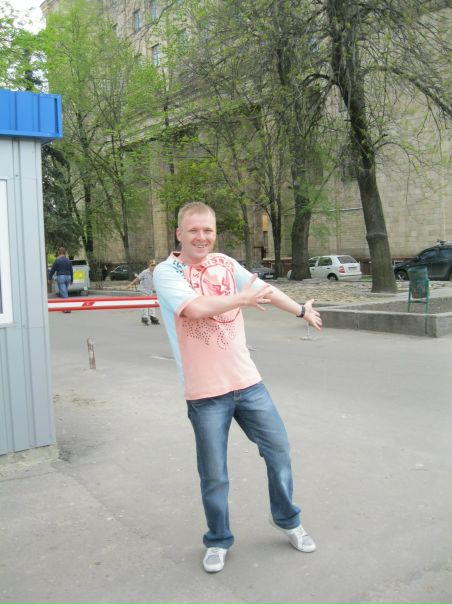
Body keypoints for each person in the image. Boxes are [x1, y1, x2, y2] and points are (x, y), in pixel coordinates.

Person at [153, 202, 322, 573]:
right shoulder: (166, 272)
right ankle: (218, 539)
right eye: (194, 230)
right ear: (179, 234)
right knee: (214, 474)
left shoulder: (226, 264)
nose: (202, 237)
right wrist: (243, 299)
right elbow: (195, 308)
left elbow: (265, 290)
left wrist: (300, 310)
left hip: (248, 384)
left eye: (208, 230)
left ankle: (287, 518)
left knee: (279, 451)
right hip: (205, 394)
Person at [127, 260, 160, 325]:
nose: (153, 267)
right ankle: (144, 317)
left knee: (152, 304)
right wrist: (130, 284)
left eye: (154, 266)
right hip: (143, 290)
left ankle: (152, 317)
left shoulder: (157, 273)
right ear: (149, 266)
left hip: (151, 291)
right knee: (145, 304)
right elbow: (138, 278)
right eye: (152, 266)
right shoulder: (145, 272)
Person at [48, 247, 73, 313]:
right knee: (65, 292)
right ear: (65, 253)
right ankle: (64, 307)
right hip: (68, 277)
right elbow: (71, 270)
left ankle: (67, 308)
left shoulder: (57, 260)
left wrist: (49, 278)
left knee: (63, 293)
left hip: (61, 277)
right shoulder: (68, 261)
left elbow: (52, 270)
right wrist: (72, 280)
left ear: (59, 253)